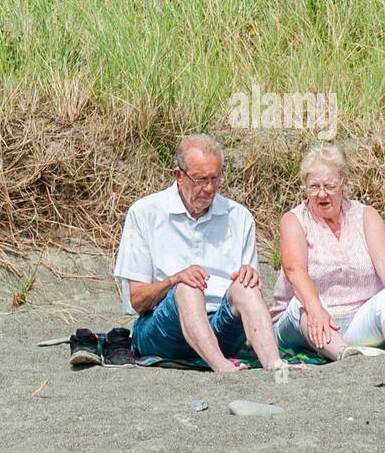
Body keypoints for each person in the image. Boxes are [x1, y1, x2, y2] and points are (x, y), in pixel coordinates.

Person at [114, 134, 287, 374]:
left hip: (222, 324)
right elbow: (137, 300)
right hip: (163, 329)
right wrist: (174, 280)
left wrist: (249, 275)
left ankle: (275, 364)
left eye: (215, 179)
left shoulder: (239, 217)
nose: (209, 188)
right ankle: (222, 368)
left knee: (245, 287)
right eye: (200, 179)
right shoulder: (145, 213)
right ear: (178, 175)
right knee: (188, 287)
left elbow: (249, 291)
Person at [272, 143, 385, 358]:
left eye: (329, 186)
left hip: (357, 319)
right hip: (305, 321)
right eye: (314, 186)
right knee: (303, 303)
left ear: (343, 183)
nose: (321, 194)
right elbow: (294, 269)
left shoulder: (366, 215)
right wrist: (316, 309)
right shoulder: (294, 220)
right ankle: (343, 354)